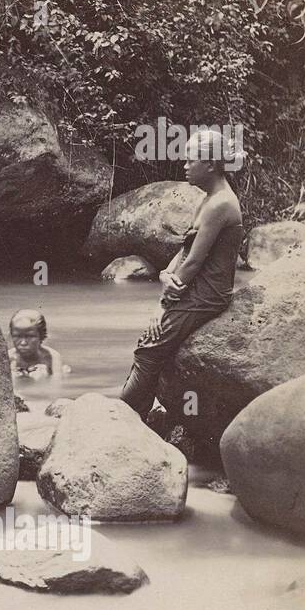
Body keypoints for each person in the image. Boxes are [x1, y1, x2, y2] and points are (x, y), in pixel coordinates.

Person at [120, 129, 244, 418]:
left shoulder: (221, 203)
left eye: (190, 161)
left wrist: (163, 305)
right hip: (193, 289)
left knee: (149, 350)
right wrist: (165, 273)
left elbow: (194, 263)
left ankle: (120, 415)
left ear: (211, 165)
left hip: (207, 295)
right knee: (148, 344)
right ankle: (136, 418)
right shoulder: (208, 198)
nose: (184, 166)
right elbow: (185, 250)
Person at [8, 309, 67, 380]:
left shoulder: (51, 357)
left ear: (41, 336)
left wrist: (44, 378)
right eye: (17, 336)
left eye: (29, 336)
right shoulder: (8, 357)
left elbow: (57, 384)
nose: (23, 343)